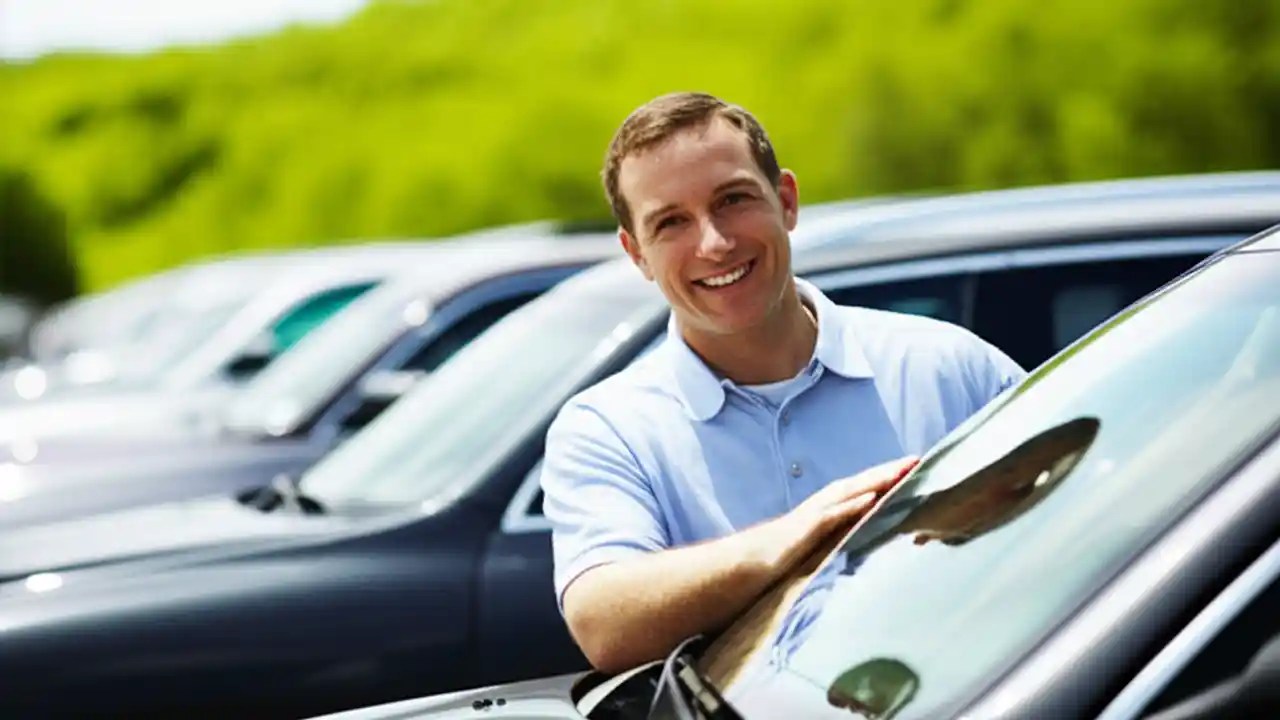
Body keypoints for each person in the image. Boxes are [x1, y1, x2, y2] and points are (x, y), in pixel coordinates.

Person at [541, 92, 1025, 673]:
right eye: (671, 222)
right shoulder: (607, 428)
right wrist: (786, 543)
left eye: (734, 200)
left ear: (787, 201)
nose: (715, 243)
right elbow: (604, 624)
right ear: (636, 253)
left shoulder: (949, 368)